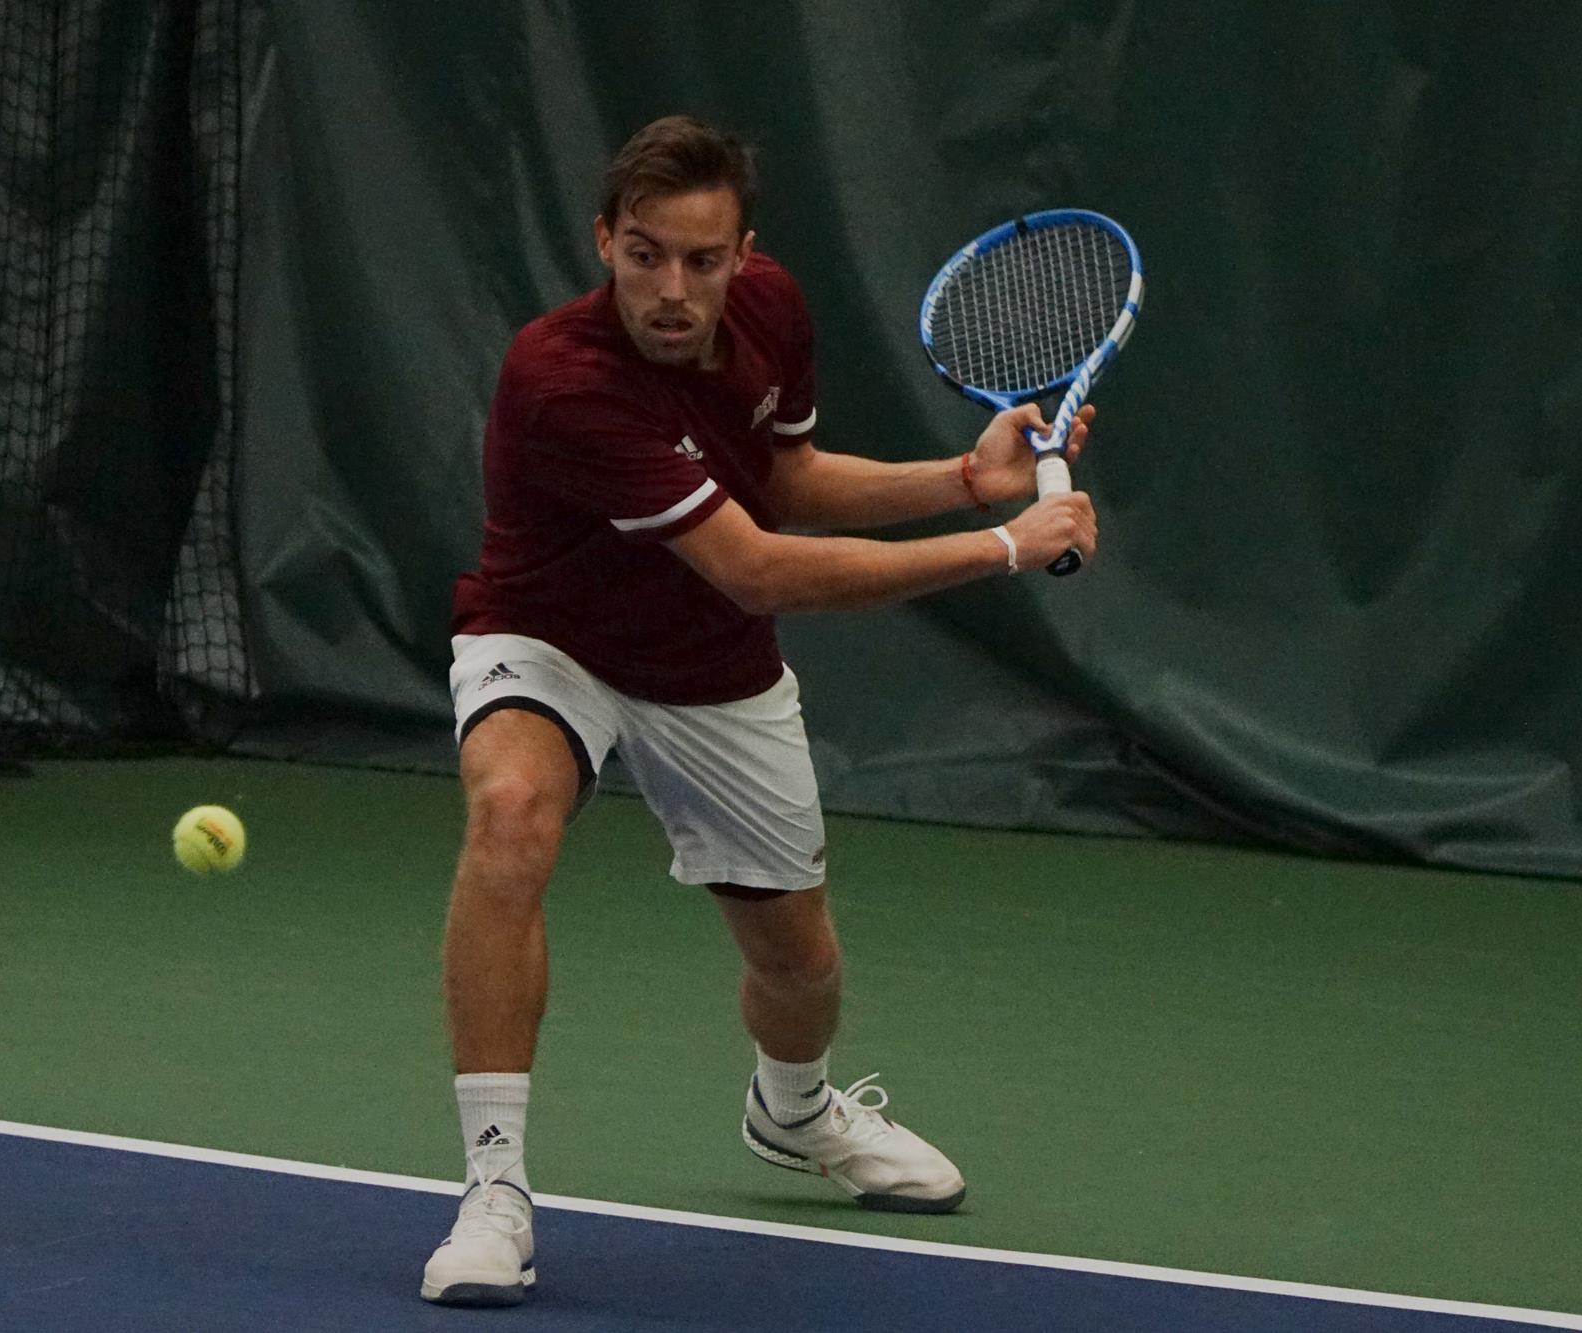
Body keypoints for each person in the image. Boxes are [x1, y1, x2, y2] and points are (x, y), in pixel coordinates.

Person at [421, 114, 1097, 1307]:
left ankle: (792, 1112)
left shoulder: (771, 311)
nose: (670, 289)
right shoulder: (561, 377)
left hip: (709, 665)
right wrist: (1001, 543)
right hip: (549, 638)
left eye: (699, 260)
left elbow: (780, 477)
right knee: (511, 817)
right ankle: (493, 1189)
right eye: (642, 256)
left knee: (797, 959)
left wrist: (958, 480)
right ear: (603, 243)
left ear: (742, 255)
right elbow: (760, 565)